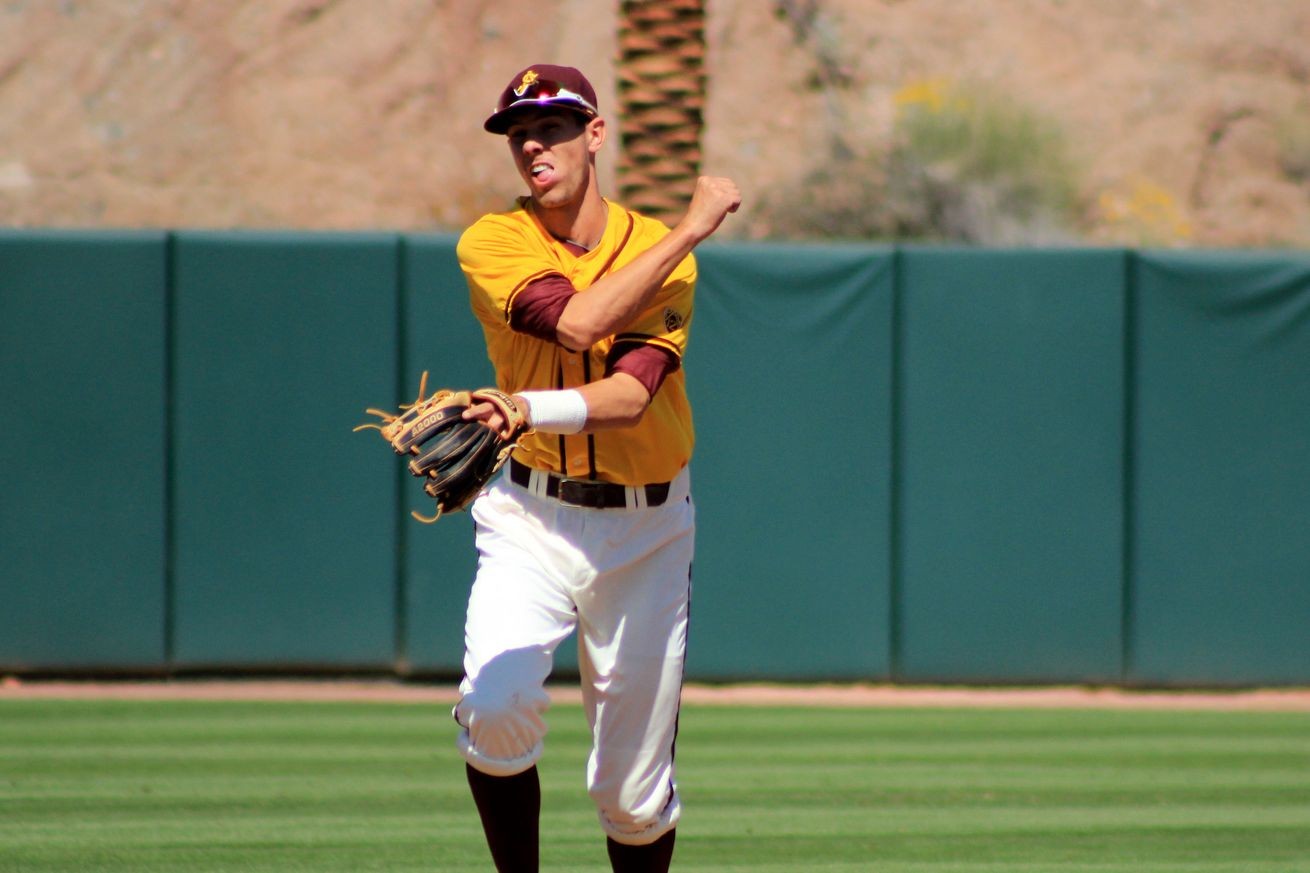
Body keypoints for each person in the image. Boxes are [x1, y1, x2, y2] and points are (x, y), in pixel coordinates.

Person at [451, 63, 740, 872]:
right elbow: (576, 324)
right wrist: (692, 227)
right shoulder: (493, 241)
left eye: (552, 127)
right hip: (531, 516)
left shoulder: (661, 253)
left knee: (634, 799)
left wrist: (525, 407)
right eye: (519, 133)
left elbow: (629, 395)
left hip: (647, 531)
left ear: (596, 134)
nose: (532, 146)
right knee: (495, 706)